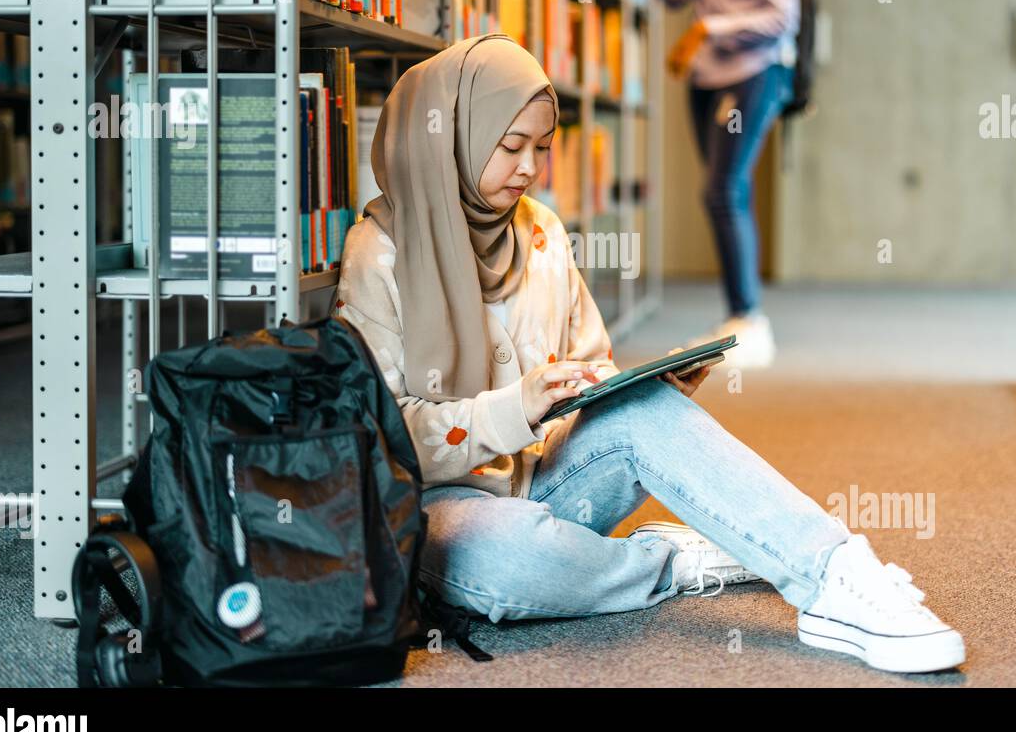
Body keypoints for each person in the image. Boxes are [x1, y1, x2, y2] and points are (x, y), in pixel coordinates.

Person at [336, 34, 965, 674]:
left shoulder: (541, 229)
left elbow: (587, 365)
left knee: (645, 408)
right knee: (504, 563)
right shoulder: (376, 255)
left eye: (543, 149)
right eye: (510, 147)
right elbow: (383, 438)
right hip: (442, 506)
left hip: (547, 476)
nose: (529, 169)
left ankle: (834, 573)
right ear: (451, 136)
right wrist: (514, 407)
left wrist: (633, 386)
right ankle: (674, 560)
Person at [615, 0, 801, 369]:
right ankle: (739, 314)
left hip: (754, 72)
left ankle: (750, 318)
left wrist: (708, 30)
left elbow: (781, 14)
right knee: (719, 193)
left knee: (725, 190)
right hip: (709, 81)